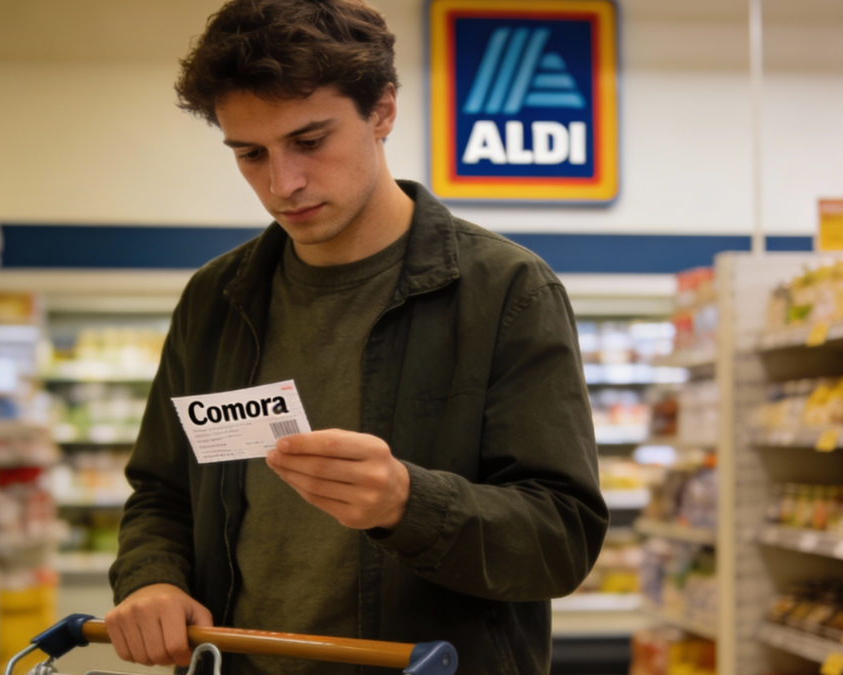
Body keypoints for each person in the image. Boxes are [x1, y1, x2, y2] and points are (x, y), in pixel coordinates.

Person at [104, 1, 608, 673]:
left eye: (310, 141)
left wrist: (408, 501)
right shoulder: (216, 299)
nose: (283, 183)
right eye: (250, 154)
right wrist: (152, 577)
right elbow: (163, 491)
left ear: (383, 111)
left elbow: (562, 537)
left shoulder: (507, 291)